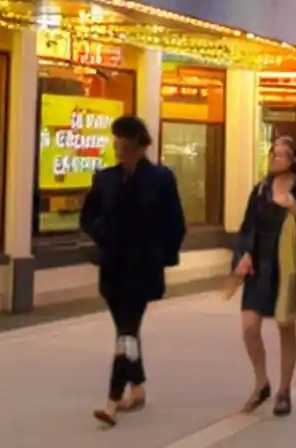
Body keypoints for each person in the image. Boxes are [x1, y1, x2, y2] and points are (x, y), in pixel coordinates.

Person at [81, 116, 187, 427]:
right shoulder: (105, 179)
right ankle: (137, 387)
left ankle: (112, 401)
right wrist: (103, 233)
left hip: (142, 267)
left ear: (138, 144)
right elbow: (88, 217)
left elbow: (175, 222)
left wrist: (162, 253)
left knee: (127, 329)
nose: (117, 146)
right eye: (115, 140)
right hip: (113, 266)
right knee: (126, 332)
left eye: (122, 140)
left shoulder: (160, 178)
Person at [232, 136, 296, 418]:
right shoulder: (261, 190)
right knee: (250, 326)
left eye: (282, 155)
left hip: (287, 266)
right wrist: (243, 255)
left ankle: (284, 390)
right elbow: (247, 227)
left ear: (294, 160)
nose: (275, 158)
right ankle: (262, 382)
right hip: (259, 264)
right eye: (273, 153)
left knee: (286, 326)